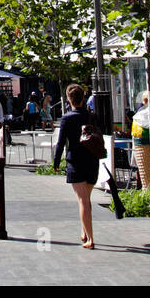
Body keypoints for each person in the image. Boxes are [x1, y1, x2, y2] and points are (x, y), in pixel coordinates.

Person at [53, 84, 99, 248]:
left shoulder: (67, 118)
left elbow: (60, 143)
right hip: (93, 160)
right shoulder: (92, 116)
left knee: (83, 201)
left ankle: (90, 239)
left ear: (69, 99)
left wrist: (56, 163)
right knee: (86, 199)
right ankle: (84, 231)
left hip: (76, 161)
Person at [131, 91, 150, 192]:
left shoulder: (139, 114)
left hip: (140, 146)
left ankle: (146, 190)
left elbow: (134, 134)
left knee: (144, 172)